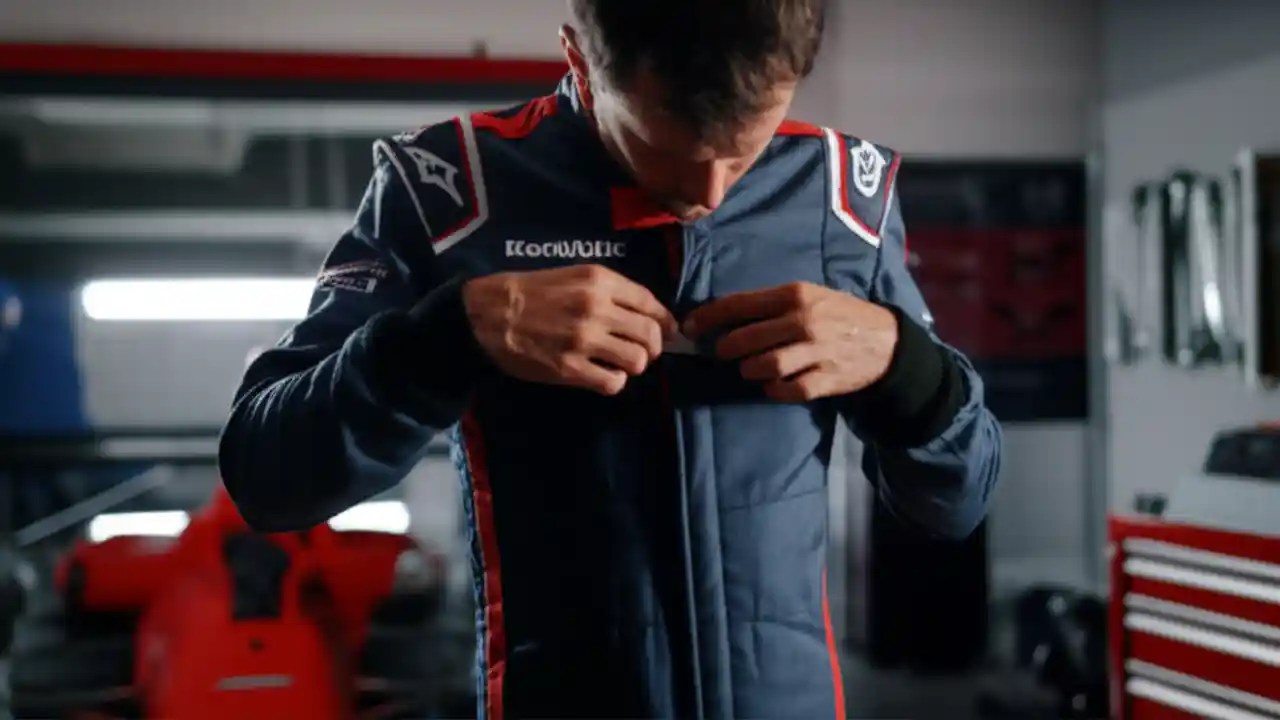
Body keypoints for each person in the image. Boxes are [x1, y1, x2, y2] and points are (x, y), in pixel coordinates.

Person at [219, 1, 1003, 717]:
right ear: (577, 58)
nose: (708, 192)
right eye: (665, 147)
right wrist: (445, 337)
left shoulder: (841, 196)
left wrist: (909, 371)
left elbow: (957, 502)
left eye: (746, 149)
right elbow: (266, 477)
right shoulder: (450, 188)